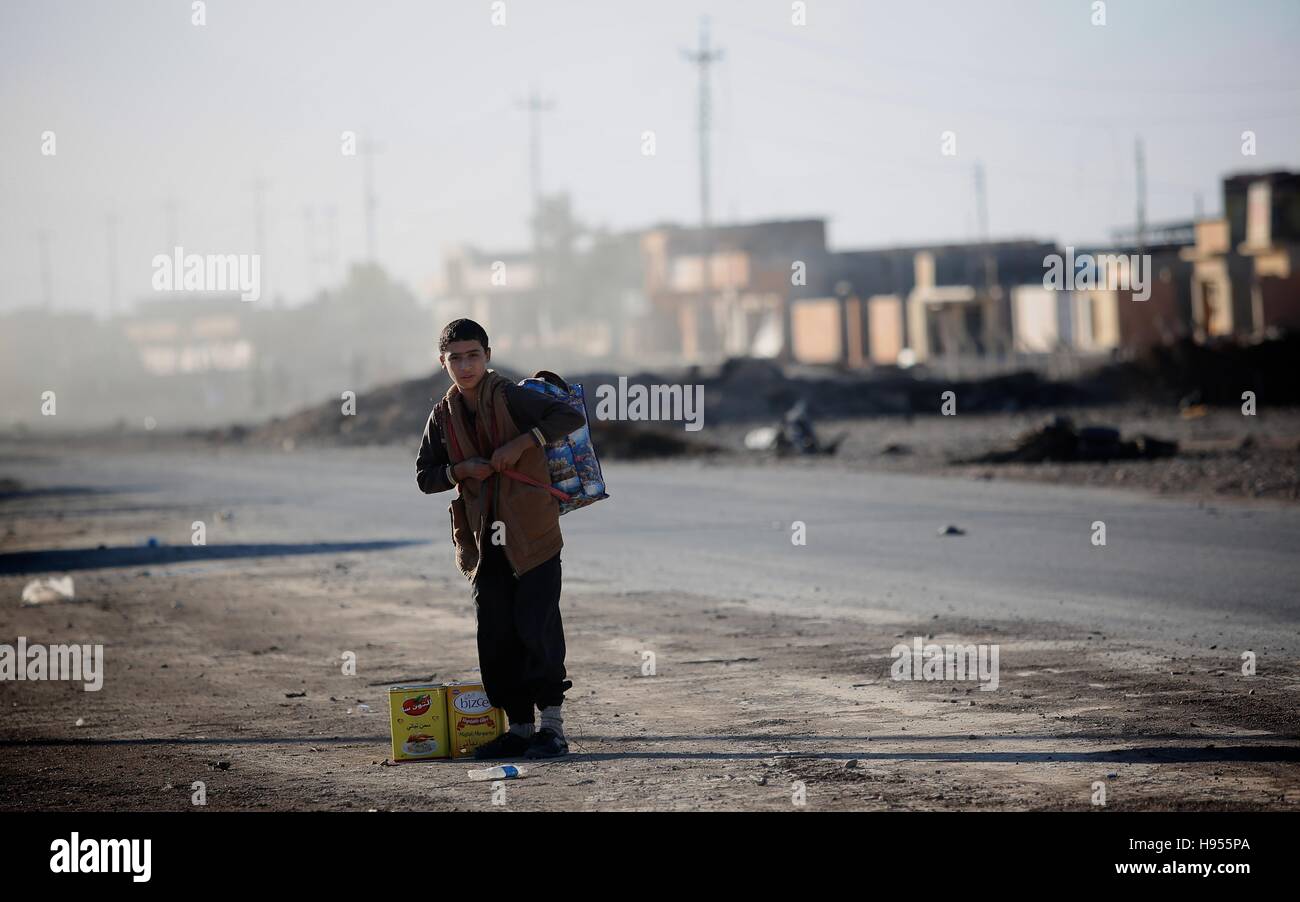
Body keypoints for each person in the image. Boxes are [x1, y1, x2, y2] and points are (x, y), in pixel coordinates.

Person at [416, 318, 585, 759]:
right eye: (456, 358)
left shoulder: (511, 395)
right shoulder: (442, 415)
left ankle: (552, 729)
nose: (465, 365)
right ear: (443, 362)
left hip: (533, 533)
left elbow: (569, 414)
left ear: (487, 356)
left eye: (473, 355)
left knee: (537, 627)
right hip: (482, 540)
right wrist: (461, 471)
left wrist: (524, 443)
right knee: (495, 635)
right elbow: (425, 475)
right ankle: (520, 729)